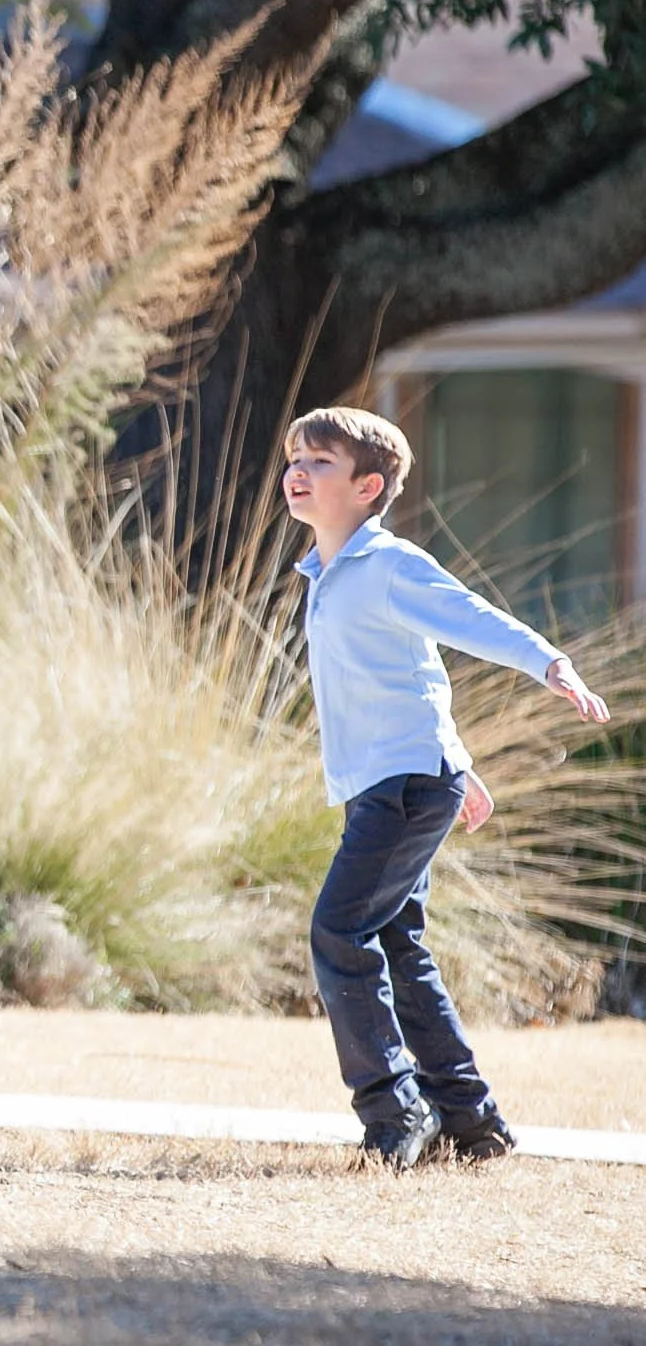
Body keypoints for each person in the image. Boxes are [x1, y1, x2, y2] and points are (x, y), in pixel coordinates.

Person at [283, 405, 610, 1168]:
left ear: (368, 486)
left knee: (340, 930)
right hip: (397, 782)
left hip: (402, 788)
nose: (298, 470)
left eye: (320, 460)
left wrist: (549, 661)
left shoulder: (387, 565)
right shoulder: (324, 575)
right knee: (396, 941)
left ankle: (395, 1109)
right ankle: (468, 1117)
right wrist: (455, 763)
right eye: (294, 457)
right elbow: (410, 679)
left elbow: (468, 617)